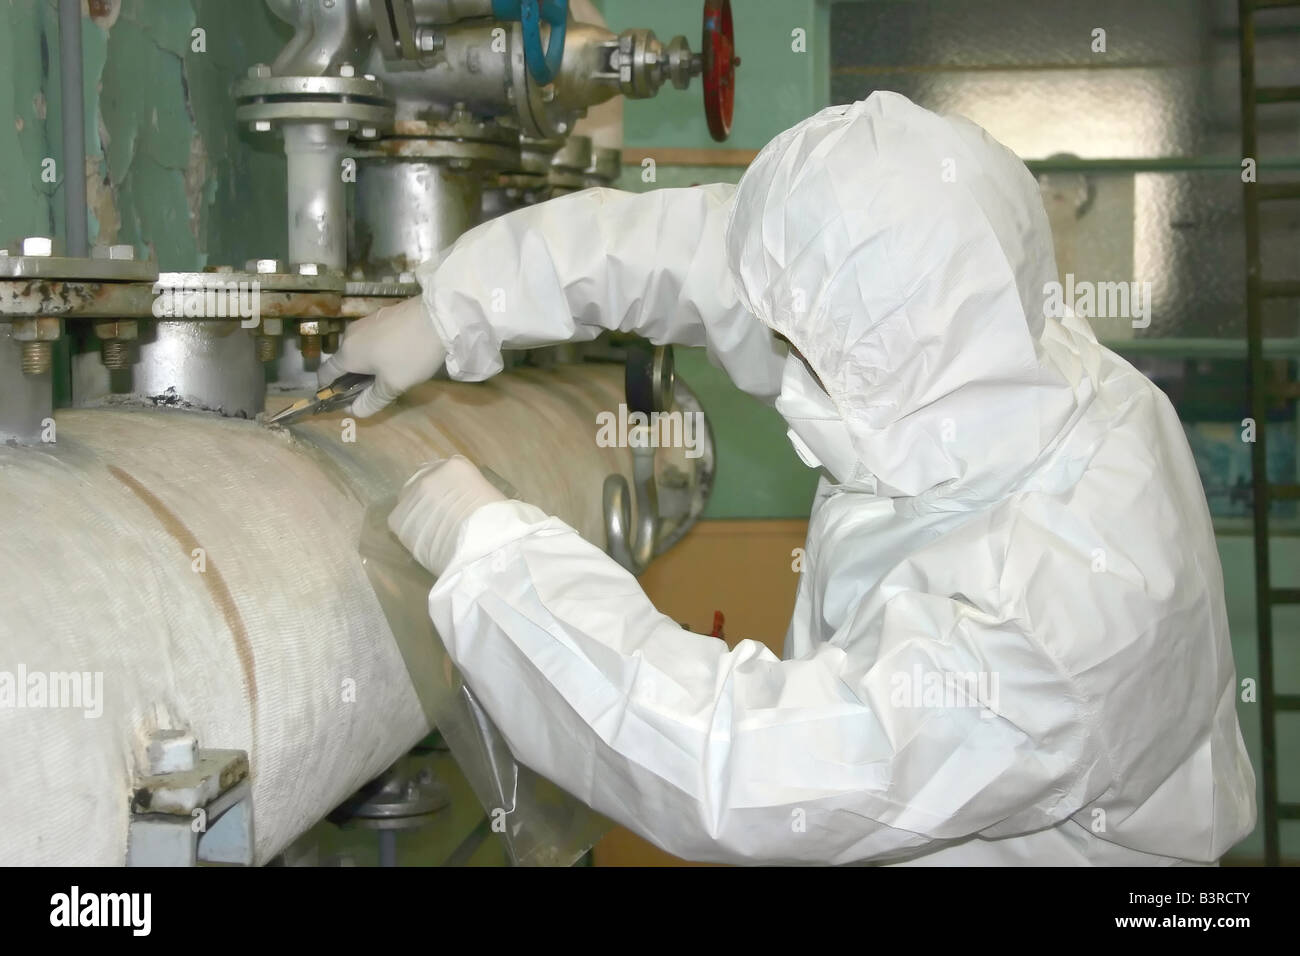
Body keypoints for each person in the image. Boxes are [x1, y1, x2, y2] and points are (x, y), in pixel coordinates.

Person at [320, 92, 1256, 865]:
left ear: (884, 367)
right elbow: (704, 257)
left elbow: (741, 768)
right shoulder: (974, 331)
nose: (766, 352)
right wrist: (454, 307)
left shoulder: (1064, 620)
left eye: (797, 348)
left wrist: (498, 565)